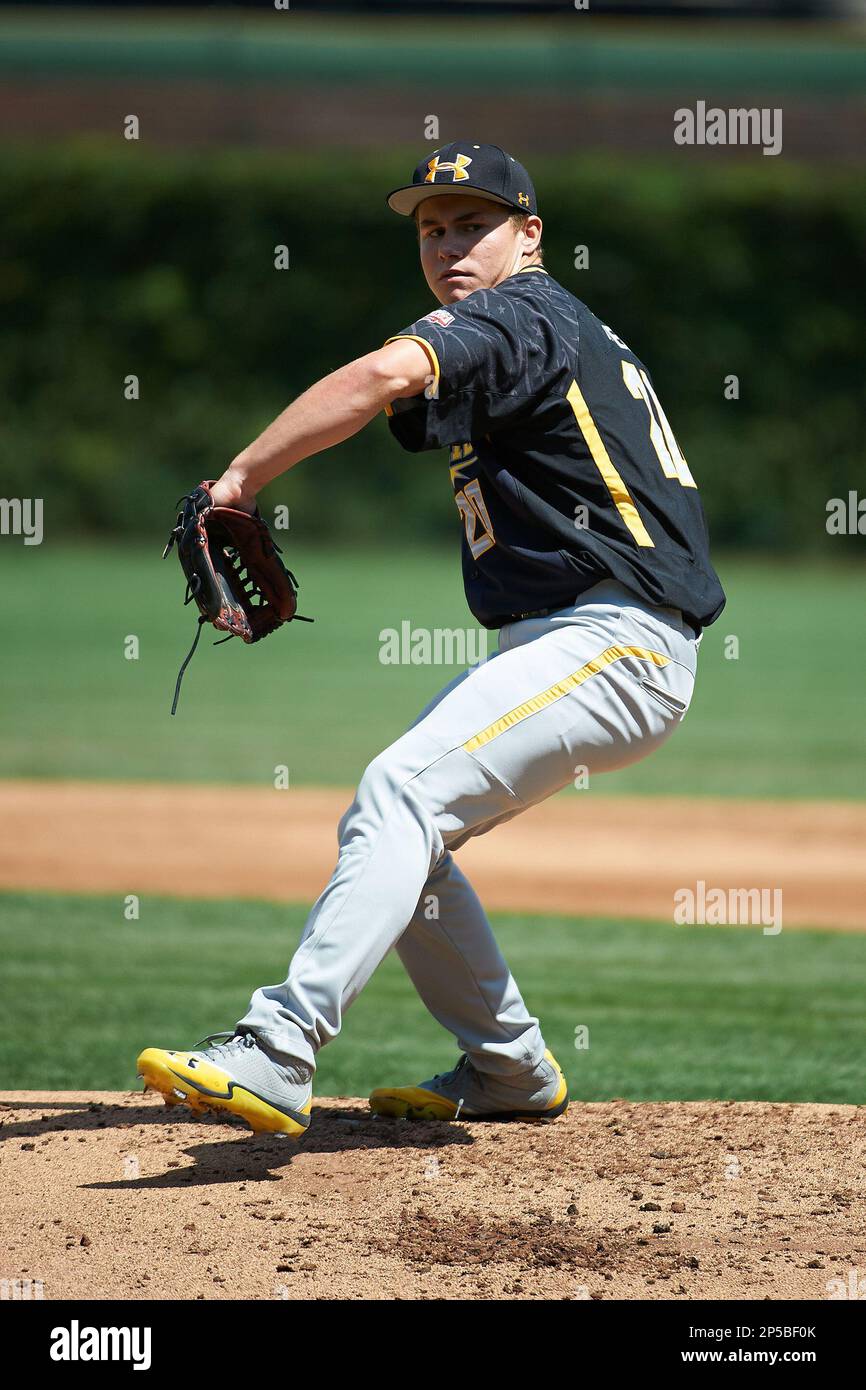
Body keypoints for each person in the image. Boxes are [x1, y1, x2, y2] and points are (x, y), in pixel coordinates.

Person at [137, 142, 725, 1137]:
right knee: (409, 835)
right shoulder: (533, 330)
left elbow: (381, 373)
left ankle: (278, 1048)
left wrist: (239, 478)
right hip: (580, 641)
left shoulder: (524, 309)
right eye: (430, 228)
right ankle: (508, 1067)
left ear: (529, 235)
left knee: (397, 794)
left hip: (613, 637)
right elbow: (410, 396)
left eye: (472, 223)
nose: (448, 244)